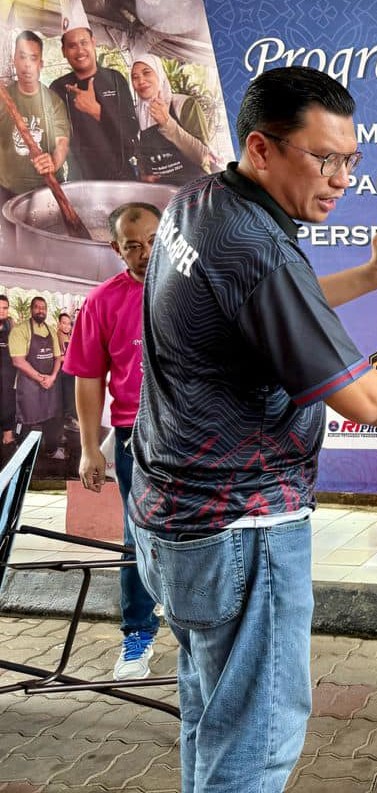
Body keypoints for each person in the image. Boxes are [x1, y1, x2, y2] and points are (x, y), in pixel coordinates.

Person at [127, 66, 377, 792]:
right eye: (324, 158)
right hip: (242, 527)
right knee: (254, 747)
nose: (342, 178)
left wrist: (367, 275)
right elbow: (365, 400)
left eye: (350, 159)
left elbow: (266, 306)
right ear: (262, 149)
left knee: (211, 718)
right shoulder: (257, 246)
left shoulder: (200, 202)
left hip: (172, 519)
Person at [62, 202, 162, 681]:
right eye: (133, 247)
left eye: (152, 241)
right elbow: (87, 379)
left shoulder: (200, 291)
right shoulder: (102, 301)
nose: (145, 254)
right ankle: (138, 635)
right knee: (138, 537)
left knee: (206, 537)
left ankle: (201, 637)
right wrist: (88, 447)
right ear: (116, 249)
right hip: (133, 439)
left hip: (198, 438)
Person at [50, 20, 139, 181]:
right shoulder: (58, 88)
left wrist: (96, 111)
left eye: (84, 42)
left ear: (93, 43)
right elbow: (54, 139)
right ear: (63, 51)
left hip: (121, 178)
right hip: (81, 182)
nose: (80, 50)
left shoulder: (115, 79)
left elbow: (131, 134)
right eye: (72, 45)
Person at [0, 30, 71, 204]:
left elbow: (62, 142)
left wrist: (53, 162)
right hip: (8, 191)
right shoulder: (3, 98)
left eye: (33, 58)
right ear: (14, 61)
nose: (27, 65)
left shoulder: (54, 102)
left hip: (48, 189)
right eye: (22, 57)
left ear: (41, 64)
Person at [130, 54, 216, 185]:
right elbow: (140, 155)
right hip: (162, 193)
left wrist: (167, 123)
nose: (141, 80)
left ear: (159, 74)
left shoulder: (184, 104)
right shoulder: (136, 114)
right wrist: (143, 175)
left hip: (196, 189)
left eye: (146, 73)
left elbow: (202, 156)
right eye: (135, 77)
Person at [9, 296, 64, 460]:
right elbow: (18, 360)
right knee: (26, 419)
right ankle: (22, 454)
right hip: (28, 385)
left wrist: (53, 377)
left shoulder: (51, 331)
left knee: (51, 417)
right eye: (37, 307)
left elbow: (58, 357)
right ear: (31, 309)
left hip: (49, 382)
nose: (41, 310)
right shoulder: (20, 330)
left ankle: (51, 450)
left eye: (43, 307)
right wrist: (41, 379)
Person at [0, 296, 16, 459]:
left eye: (5, 308)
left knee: (8, 405)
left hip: (8, 377)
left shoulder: (10, 327)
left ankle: (8, 437)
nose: (2, 311)